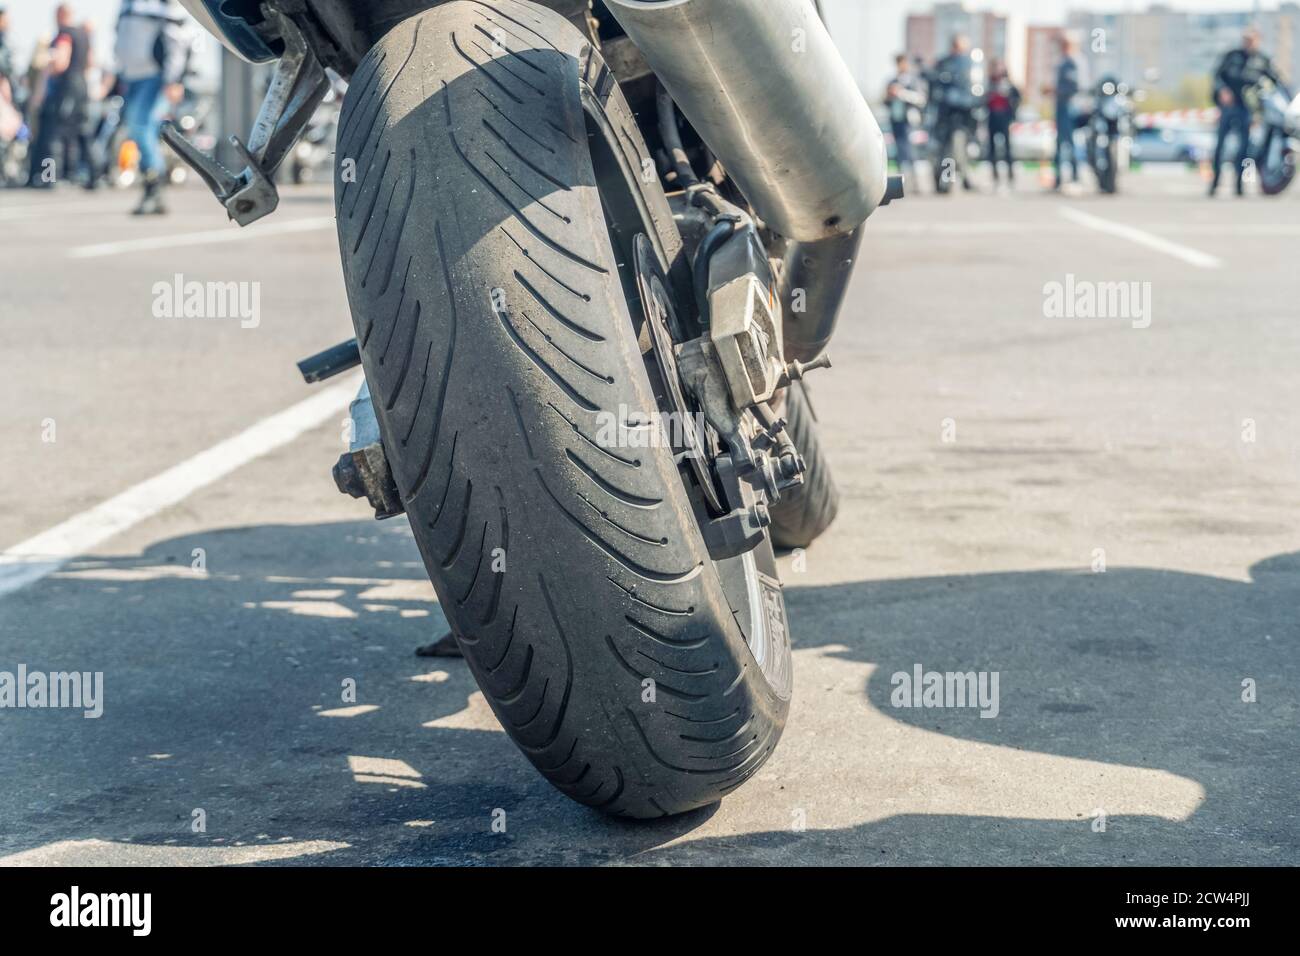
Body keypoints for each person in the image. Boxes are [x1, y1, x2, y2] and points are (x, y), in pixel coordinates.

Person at [114, 0, 193, 214]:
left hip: (154, 77)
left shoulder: (161, 3)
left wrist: (174, 79)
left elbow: (178, 39)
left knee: (142, 127)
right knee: (135, 129)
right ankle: (152, 190)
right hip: (131, 77)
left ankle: (154, 189)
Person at [1209, 27, 1284, 198]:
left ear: (1258, 40)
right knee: (1220, 147)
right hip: (1228, 107)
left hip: (1247, 109)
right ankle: (1214, 184)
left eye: (1252, 39)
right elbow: (1217, 76)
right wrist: (1223, 90)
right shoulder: (1232, 56)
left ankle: (1239, 186)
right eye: (1246, 39)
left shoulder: (1262, 60)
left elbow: (1277, 80)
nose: (1248, 42)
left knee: (1244, 149)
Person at [26, 4, 91, 188]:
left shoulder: (64, 33)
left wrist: (47, 66)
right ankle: (87, 174)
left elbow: (61, 62)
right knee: (80, 132)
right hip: (81, 86)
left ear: (60, 14)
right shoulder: (83, 34)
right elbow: (90, 62)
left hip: (66, 88)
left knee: (53, 134)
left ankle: (50, 178)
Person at [1044, 35, 1081, 192]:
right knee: (1060, 144)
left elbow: (1073, 87)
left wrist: (1055, 90)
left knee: (1068, 143)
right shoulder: (1063, 63)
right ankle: (1060, 178)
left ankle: (1073, 177)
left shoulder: (1070, 63)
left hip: (1067, 107)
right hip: (1061, 107)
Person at [885, 53, 925, 188]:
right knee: (899, 150)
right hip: (896, 119)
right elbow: (885, 101)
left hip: (909, 120)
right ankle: (902, 182)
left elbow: (921, 99)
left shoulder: (914, 81)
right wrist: (890, 96)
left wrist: (902, 93)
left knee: (911, 150)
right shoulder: (892, 81)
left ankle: (916, 182)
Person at [985, 57, 1020, 190]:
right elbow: (983, 100)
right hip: (992, 116)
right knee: (992, 149)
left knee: (1007, 148)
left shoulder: (1009, 85)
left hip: (1004, 117)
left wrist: (1012, 112)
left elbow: (1017, 99)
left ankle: (1010, 175)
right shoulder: (989, 84)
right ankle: (995, 176)